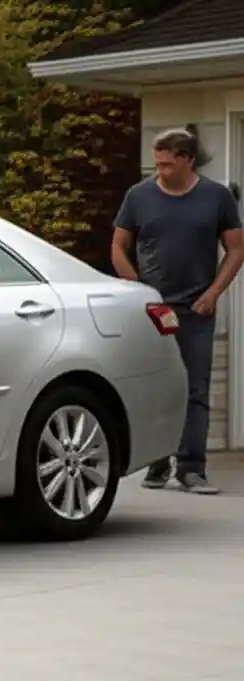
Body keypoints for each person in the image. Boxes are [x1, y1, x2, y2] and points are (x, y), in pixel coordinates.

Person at [112, 128, 244, 495]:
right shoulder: (138, 196)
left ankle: (192, 468)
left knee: (195, 388)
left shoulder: (216, 197)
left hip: (196, 309)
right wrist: (139, 290)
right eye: (157, 164)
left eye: (168, 164)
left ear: (187, 159)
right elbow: (118, 247)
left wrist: (214, 292)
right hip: (152, 309)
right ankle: (157, 463)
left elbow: (236, 249)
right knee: (156, 386)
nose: (161, 171)